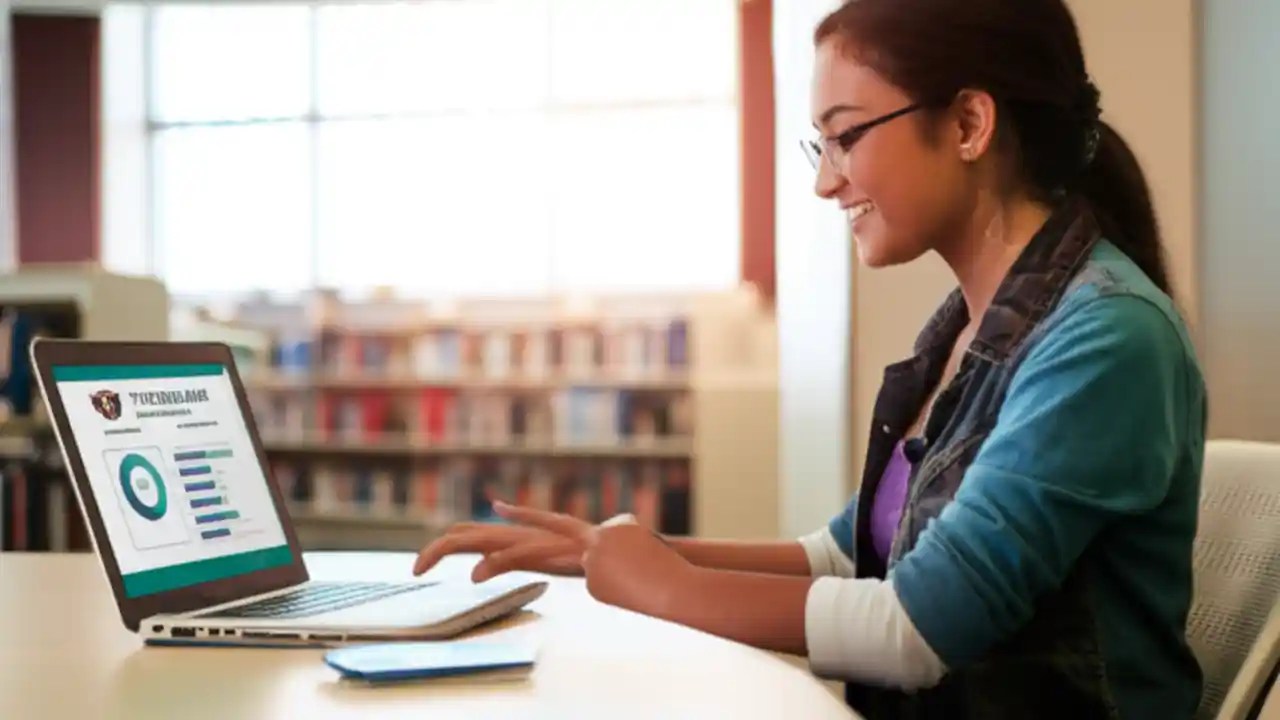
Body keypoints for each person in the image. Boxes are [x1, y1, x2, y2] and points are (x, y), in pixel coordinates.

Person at [413, 0, 1206, 717]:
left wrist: (666, 586)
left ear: (969, 123)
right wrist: (617, 550)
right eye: (819, 144)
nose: (826, 181)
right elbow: (850, 553)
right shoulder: (966, 328)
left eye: (846, 136)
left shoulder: (1105, 338)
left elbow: (916, 627)